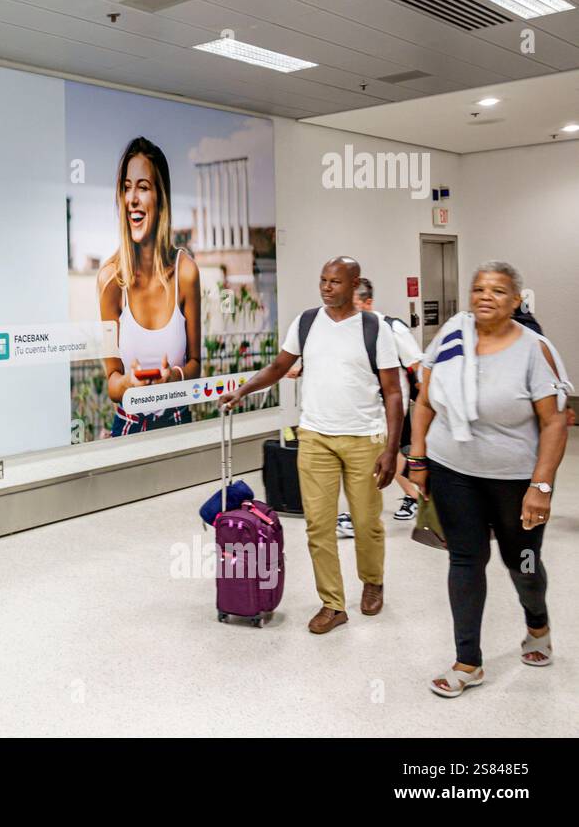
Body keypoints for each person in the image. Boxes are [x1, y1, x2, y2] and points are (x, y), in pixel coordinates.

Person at [408, 262, 570, 697]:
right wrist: (418, 458)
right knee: (465, 559)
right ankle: (468, 662)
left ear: (517, 301)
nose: (485, 296)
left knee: (523, 563)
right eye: (479, 288)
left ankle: (537, 624)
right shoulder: (450, 337)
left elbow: (555, 423)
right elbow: (424, 401)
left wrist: (541, 486)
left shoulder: (534, 349)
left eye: (498, 291)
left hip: (514, 477)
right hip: (452, 469)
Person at [223, 257, 404, 634]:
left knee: (367, 522)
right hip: (315, 437)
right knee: (318, 527)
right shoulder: (306, 322)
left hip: (363, 438)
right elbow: (277, 367)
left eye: (335, 282)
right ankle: (333, 604)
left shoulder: (375, 328)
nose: (326, 287)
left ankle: (373, 581)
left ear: (354, 284)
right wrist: (243, 390)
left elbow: (392, 393)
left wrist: (391, 449)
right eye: (322, 280)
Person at [98, 137, 201, 435]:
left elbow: (196, 364)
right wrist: (129, 385)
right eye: (126, 187)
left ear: (160, 197)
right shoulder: (109, 280)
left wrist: (174, 379)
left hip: (179, 424)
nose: (132, 199)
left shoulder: (186, 273)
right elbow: (112, 383)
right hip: (129, 426)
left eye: (142, 187)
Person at [353, 277, 424, 524]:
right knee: (387, 454)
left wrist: (428, 404)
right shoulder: (350, 330)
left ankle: (361, 512)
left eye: (352, 304)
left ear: (368, 302)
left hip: (391, 402)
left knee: (380, 453)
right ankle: (417, 494)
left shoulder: (392, 328)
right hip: (364, 404)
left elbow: (417, 365)